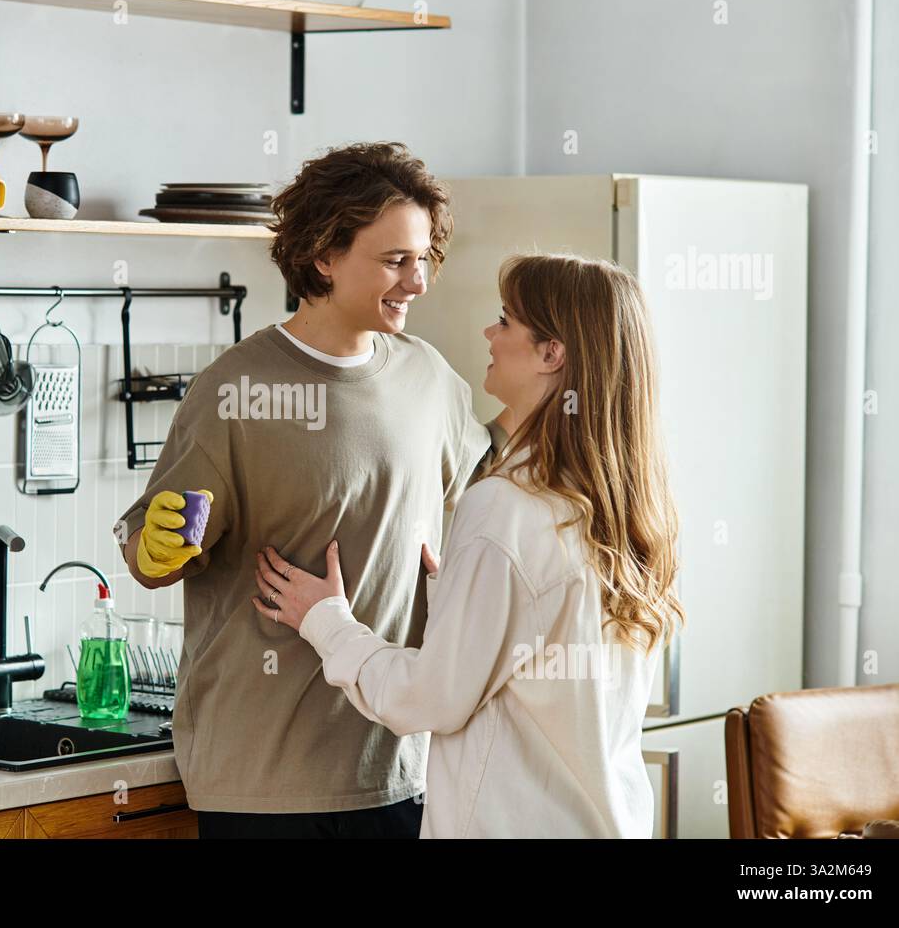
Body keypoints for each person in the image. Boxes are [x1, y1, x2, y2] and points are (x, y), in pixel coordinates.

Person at [112, 142, 494, 838]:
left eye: (423, 259)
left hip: (400, 766)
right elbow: (149, 554)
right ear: (324, 255)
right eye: (394, 260)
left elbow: (486, 510)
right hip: (264, 783)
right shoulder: (234, 389)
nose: (418, 281)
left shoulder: (430, 380)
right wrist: (156, 543)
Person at [254, 253, 684, 838]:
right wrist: (457, 591)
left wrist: (327, 622)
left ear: (550, 354)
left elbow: (429, 699)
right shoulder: (623, 508)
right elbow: (541, 654)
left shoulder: (504, 506)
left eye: (506, 321)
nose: (489, 332)